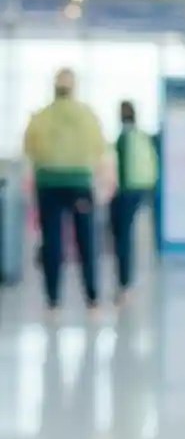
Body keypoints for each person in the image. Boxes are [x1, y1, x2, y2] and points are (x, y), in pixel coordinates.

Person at [22, 69, 107, 320]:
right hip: (80, 183)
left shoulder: (41, 116)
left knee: (52, 242)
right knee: (86, 242)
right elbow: (99, 149)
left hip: (48, 183)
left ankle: (53, 303)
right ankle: (93, 302)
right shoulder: (86, 115)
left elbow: (29, 149)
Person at [110, 101, 157, 307]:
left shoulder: (123, 139)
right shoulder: (142, 136)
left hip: (126, 190)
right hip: (142, 189)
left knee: (122, 237)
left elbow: (120, 169)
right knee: (127, 235)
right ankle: (126, 283)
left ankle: (124, 283)